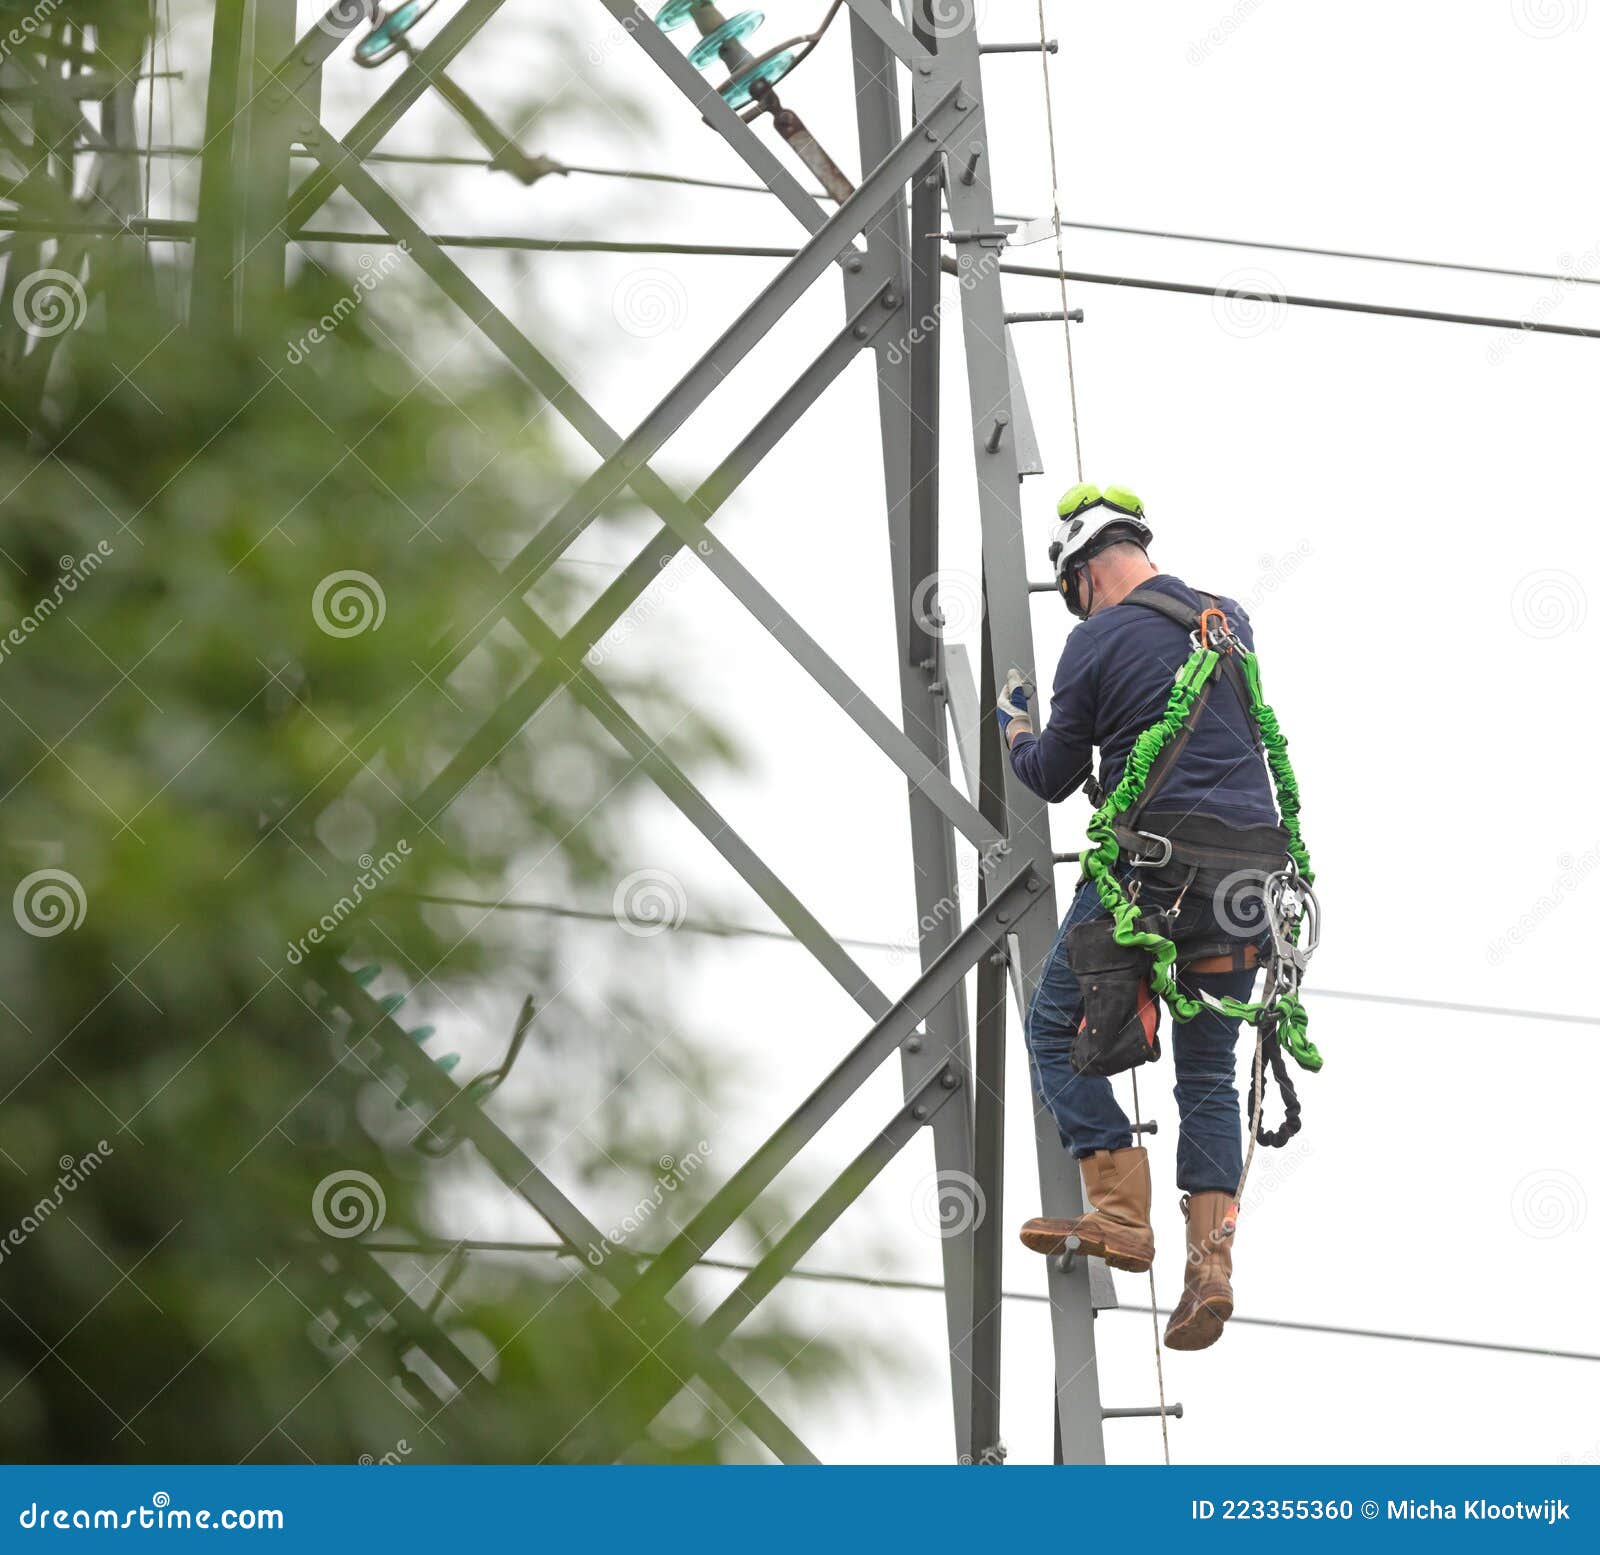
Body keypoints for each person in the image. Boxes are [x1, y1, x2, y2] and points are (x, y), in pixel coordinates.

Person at [994, 483, 1294, 1352]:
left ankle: (1121, 1213)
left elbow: (1053, 772)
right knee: (1205, 1073)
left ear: (1083, 574)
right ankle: (1212, 1267)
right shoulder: (1226, 618)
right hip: (1248, 885)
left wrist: (1017, 725)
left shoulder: (1093, 640)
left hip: (1151, 878)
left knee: (1054, 1028)